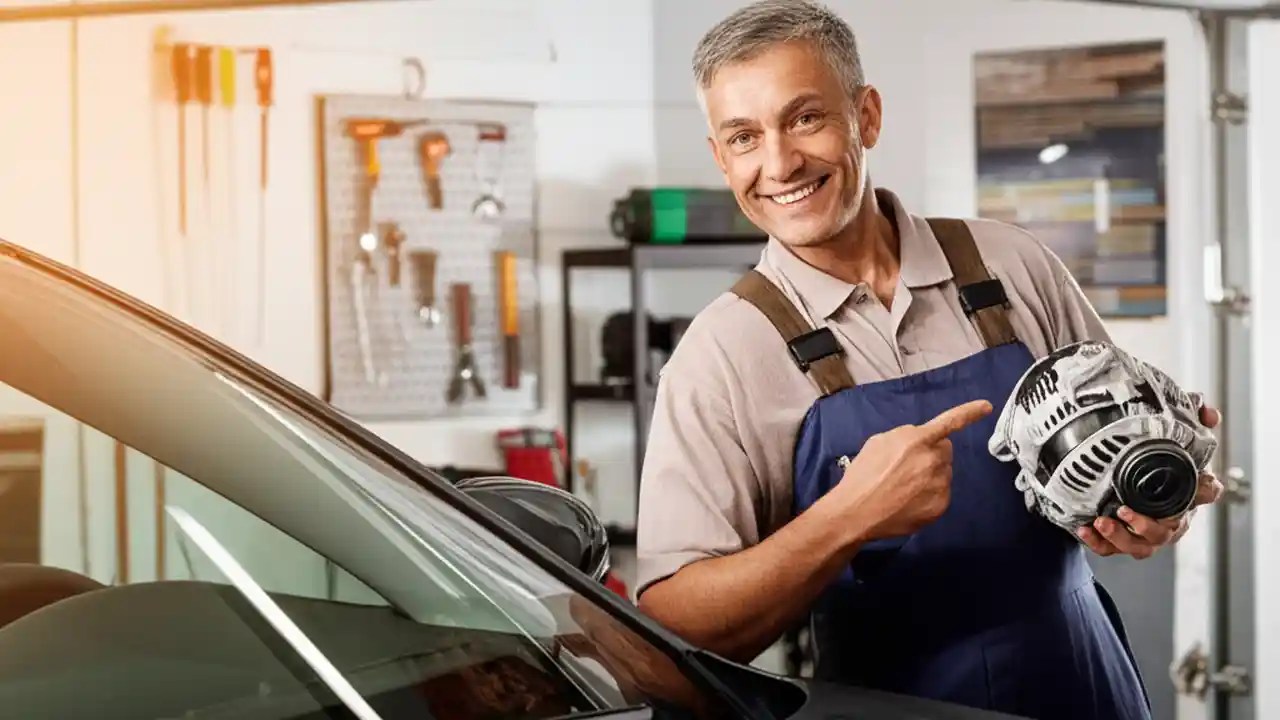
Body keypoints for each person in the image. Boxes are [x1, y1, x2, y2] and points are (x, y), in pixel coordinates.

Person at [632, 2, 1225, 719]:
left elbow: (1124, 448)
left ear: (867, 116)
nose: (780, 162)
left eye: (806, 118)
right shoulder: (720, 356)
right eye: (745, 137)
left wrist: (1154, 507)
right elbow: (673, 635)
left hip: (1083, 683)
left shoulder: (1011, 263)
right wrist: (845, 519)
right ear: (722, 158)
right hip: (885, 703)